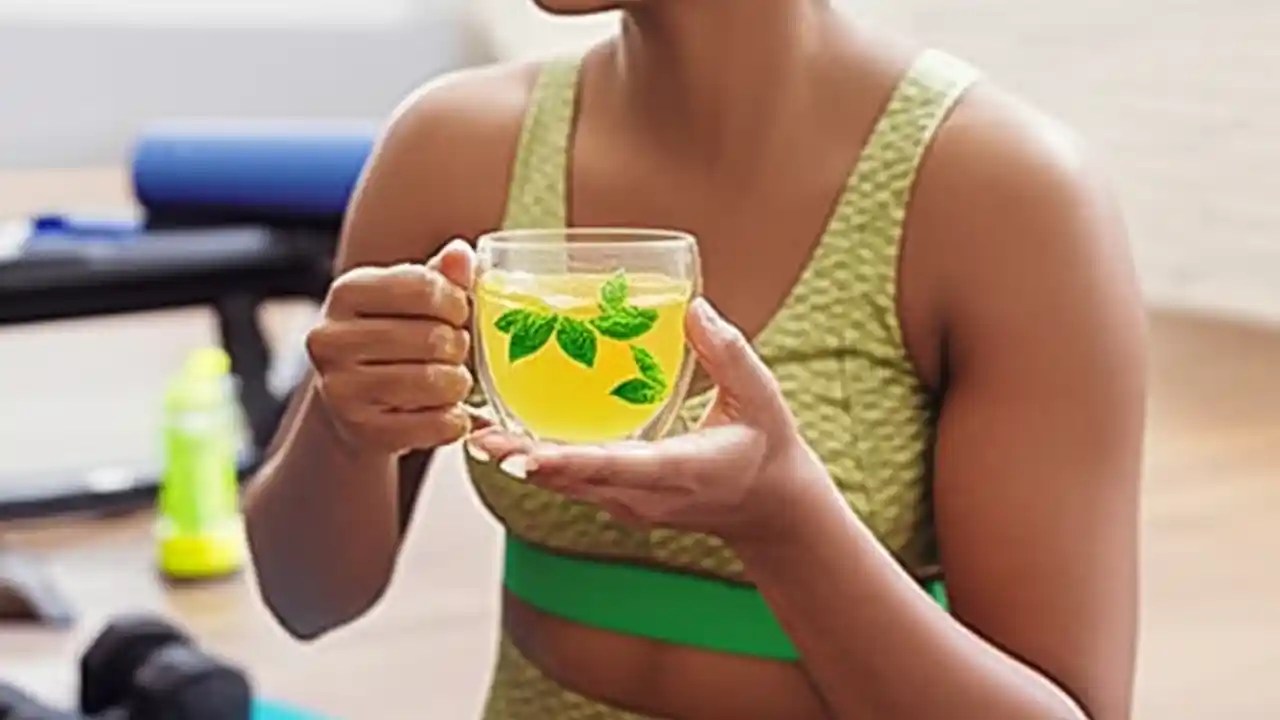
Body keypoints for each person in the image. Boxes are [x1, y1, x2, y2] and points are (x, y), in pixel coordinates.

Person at [245, 1, 1145, 717]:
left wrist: (785, 519)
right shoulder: (450, 148)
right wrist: (345, 428)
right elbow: (306, 602)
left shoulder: (1010, 193)